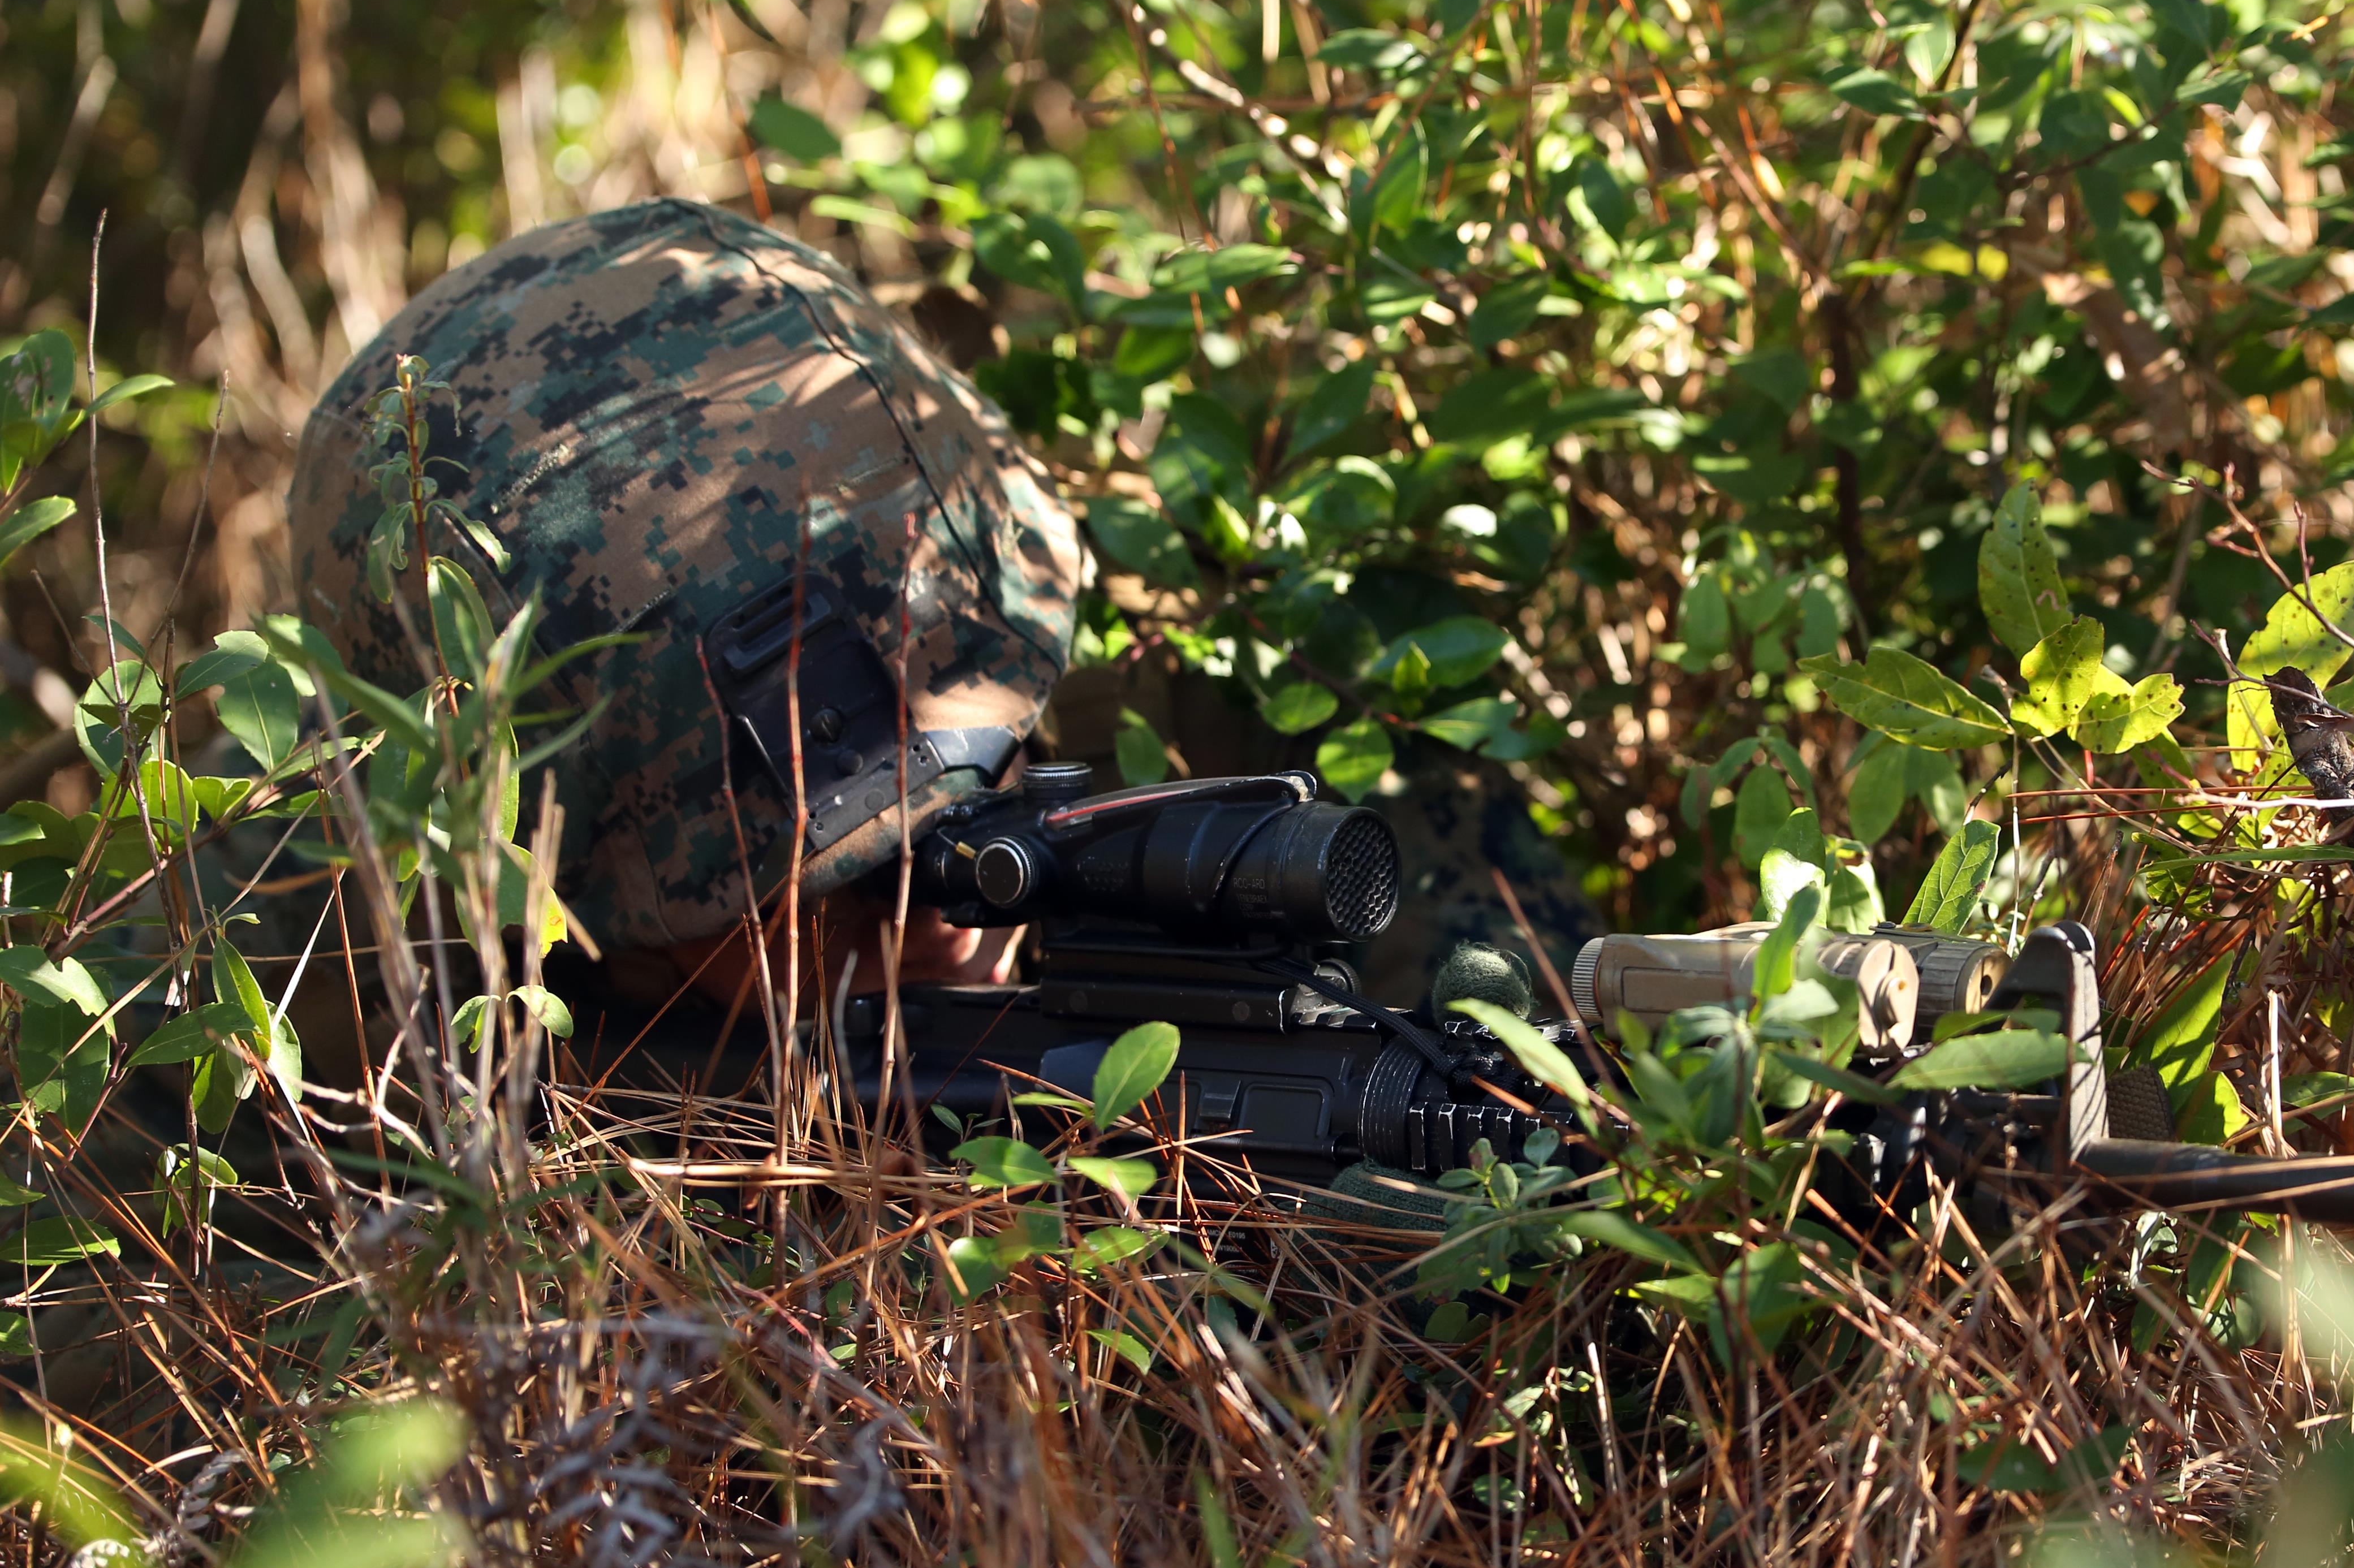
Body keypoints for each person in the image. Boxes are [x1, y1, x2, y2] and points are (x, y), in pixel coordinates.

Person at [278, 200, 1601, 1089]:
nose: (947, 915)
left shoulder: (1245, 733)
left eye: (980, 787)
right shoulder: (340, 1030)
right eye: (832, 882)